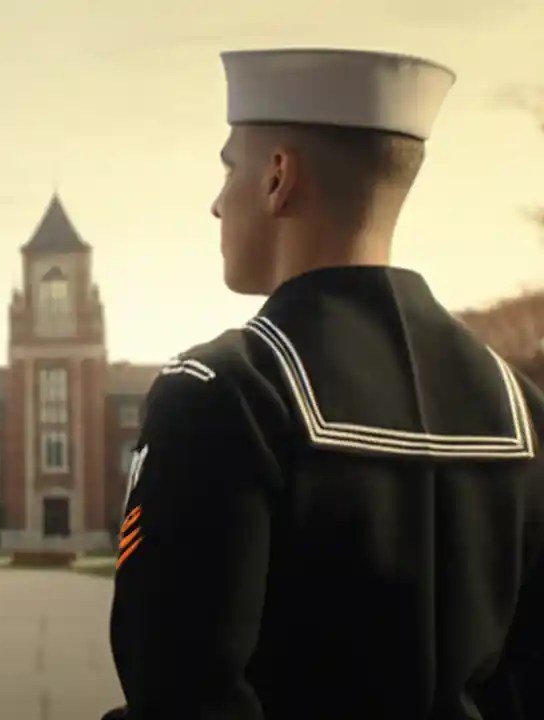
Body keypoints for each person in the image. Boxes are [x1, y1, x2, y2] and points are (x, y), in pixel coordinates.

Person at [104, 48, 544, 719]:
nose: (217, 204)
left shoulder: (223, 394)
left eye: (230, 169)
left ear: (278, 177)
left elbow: (181, 694)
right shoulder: (520, 408)